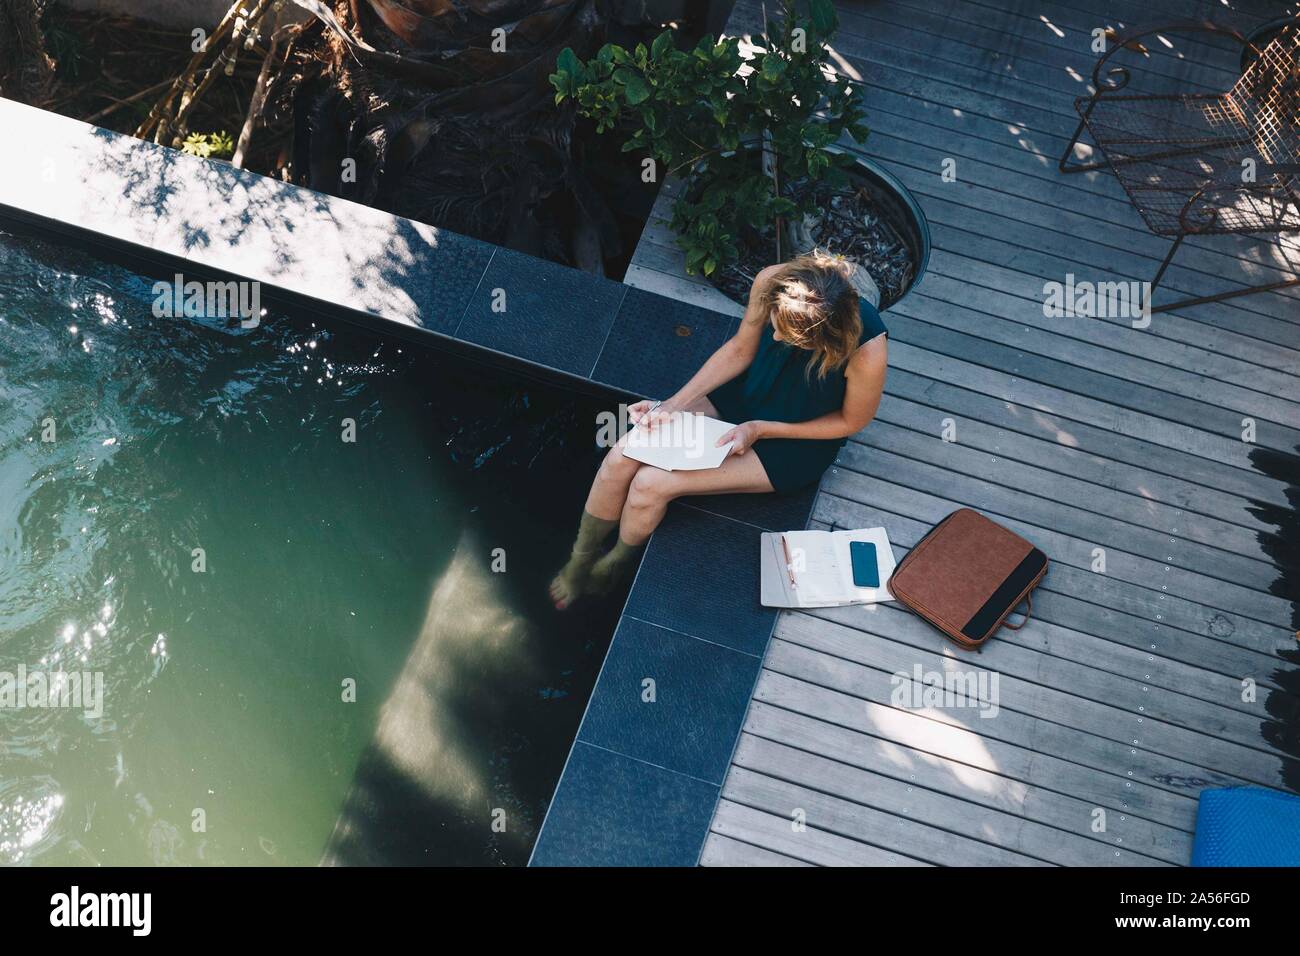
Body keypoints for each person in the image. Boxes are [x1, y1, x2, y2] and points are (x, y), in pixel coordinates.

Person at [550, 250, 889, 610]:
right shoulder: (773, 280)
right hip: (743, 394)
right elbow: (741, 350)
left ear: (824, 339)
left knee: (650, 484)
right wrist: (671, 406)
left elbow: (852, 422)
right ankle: (579, 558)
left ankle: (618, 558)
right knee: (620, 457)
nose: (772, 337)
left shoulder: (867, 351)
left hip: (793, 437)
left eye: (786, 335)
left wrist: (760, 429)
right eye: (773, 322)